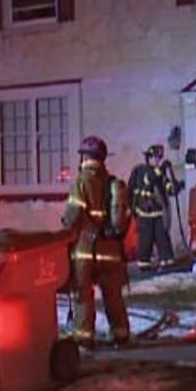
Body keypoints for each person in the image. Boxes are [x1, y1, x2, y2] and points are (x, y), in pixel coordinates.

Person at [62, 136, 131, 347]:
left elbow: (74, 215)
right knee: (113, 295)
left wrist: (64, 233)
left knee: (83, 295)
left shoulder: (82, 181)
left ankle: (84, 338)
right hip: (110, 250)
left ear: (84, 157)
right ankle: (121, 334)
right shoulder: (112, 183)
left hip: (86, 250)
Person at [128, 143, 178, 272]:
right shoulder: (142, 171)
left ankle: (166, 261)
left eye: (159, 158)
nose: (157, 160)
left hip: (158, 212)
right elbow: (149, 179)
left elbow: (166, 185)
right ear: (148, 158)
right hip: (144, 213)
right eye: (154, 157)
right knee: (146, 239)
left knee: (162, 237)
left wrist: (174, 187)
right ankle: (144, 264)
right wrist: (161, 169)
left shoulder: (160, 173)